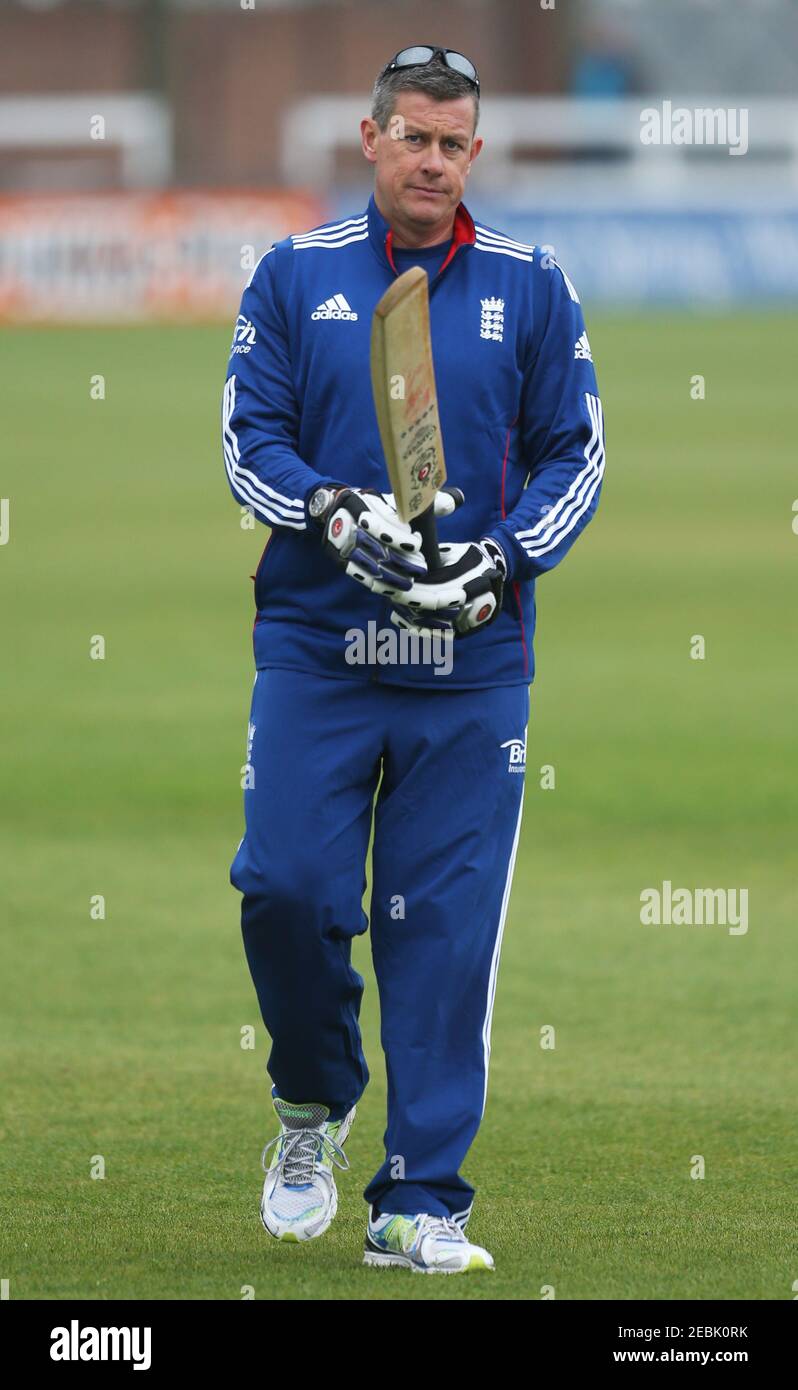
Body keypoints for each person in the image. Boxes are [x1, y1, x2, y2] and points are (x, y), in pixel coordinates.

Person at [222, 44, 605, 1275]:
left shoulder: (532, 283)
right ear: (373, 139)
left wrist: (498, 563)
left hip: (470, 666)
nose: (432, 159)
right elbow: (248, 438)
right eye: (413, 136)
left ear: (474, 155)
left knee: (441, 933)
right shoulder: (294, 273)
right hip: (319, 648)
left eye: (454, 143)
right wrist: (332, 509)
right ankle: (310, 1103)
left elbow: (576, 456)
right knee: (284, 888)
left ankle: (418, 1201)